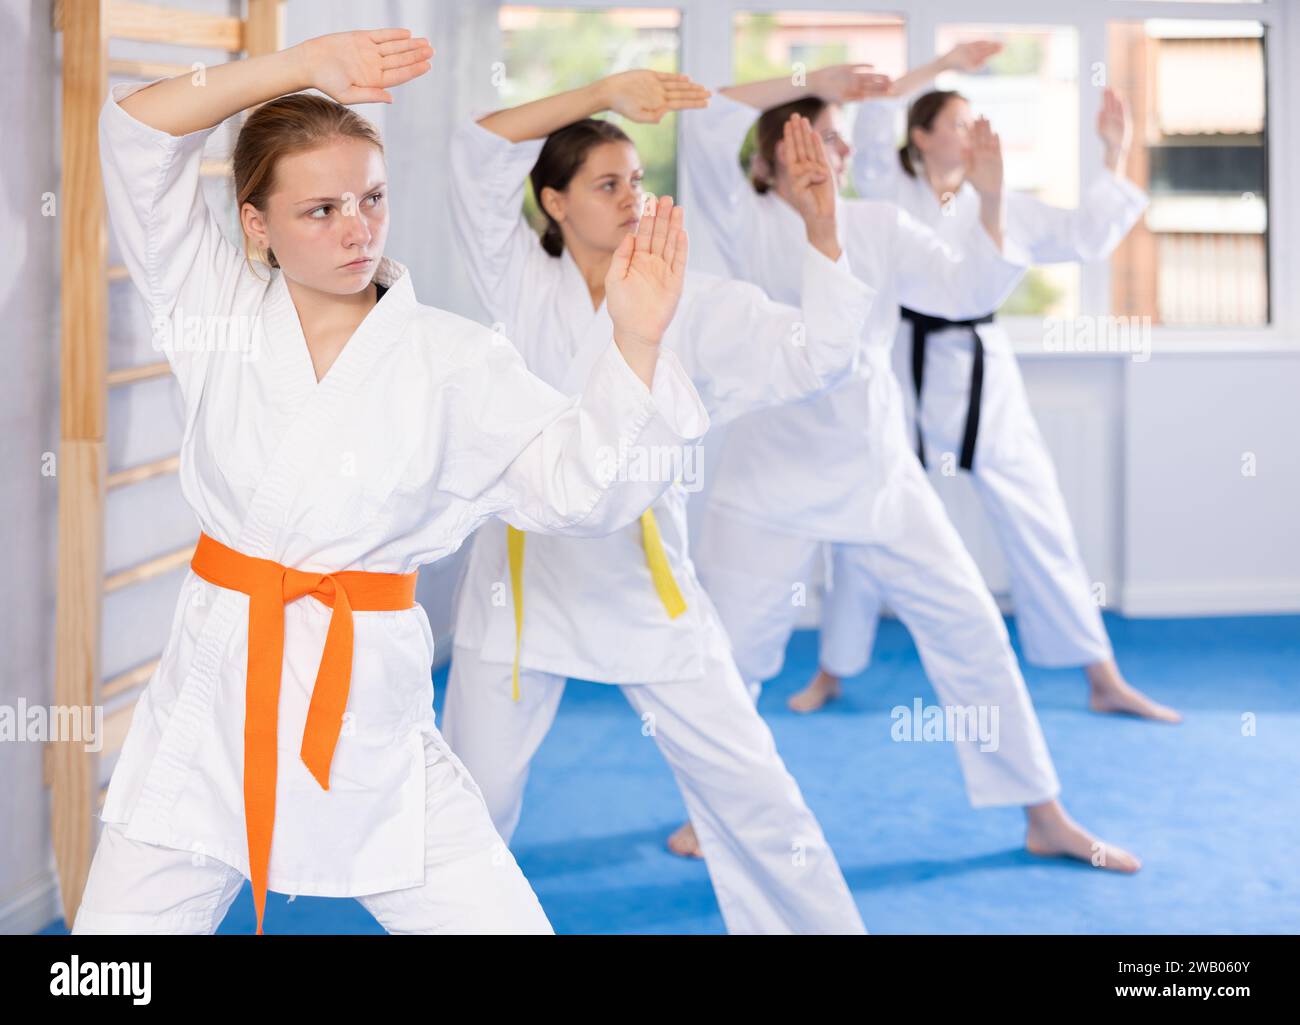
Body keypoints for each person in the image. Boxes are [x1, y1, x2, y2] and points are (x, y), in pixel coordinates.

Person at [73, 29, 710, 936]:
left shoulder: (454, 362)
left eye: (371, 199)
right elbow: (134, 132)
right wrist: (296, 68)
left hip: (371, 722)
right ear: (256, 225)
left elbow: (580, 489)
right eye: (320, 210)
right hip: (211, 714)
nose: (357, 230)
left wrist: (637, 341)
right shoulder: (209, 303)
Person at [673, 64, 1142, 873]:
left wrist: (992, 200)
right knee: (732, 658)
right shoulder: (737, 218)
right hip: (766, 483)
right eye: (816, 132)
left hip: (877, 473)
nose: (840, 144)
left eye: (839, 133)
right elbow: (709, 114)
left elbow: (965, 289)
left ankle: (1044, 811)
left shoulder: (879, 224)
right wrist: (807, 80)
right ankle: (707, 814)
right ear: (770, 157)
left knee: (971, 630)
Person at [440, 71, 872, 934]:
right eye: (608, 184)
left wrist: (823, 228)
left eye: (638, 179)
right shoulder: (521, 281)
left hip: (647, 587)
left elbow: (816, 353)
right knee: (465, 812)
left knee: (758, 797)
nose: (633, 198)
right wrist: (602, 90)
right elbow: (480, 147)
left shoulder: (691, 298)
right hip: (520, 589)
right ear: (553, 202)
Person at [794, 45, 1178, 724]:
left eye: (979, 123)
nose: (975, 134)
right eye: (959, 121)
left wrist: (1113, 154)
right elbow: (877, 108)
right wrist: (941, 62)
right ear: (922, 136)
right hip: (899, 368)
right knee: (864, 512)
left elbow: (1088, 235)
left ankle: (1102, 673)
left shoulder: (1003, 201)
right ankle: (833, 667)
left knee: (1039, 517)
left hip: (981, 374)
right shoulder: (888, 189)